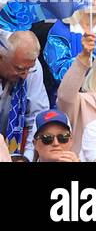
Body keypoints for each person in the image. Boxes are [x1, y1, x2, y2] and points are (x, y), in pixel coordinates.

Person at [1, 31, 48, 159]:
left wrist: (26, 158)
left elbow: (37, 117)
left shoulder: (32, 66)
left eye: (29, 69)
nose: (25, 75)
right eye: (19, 69)